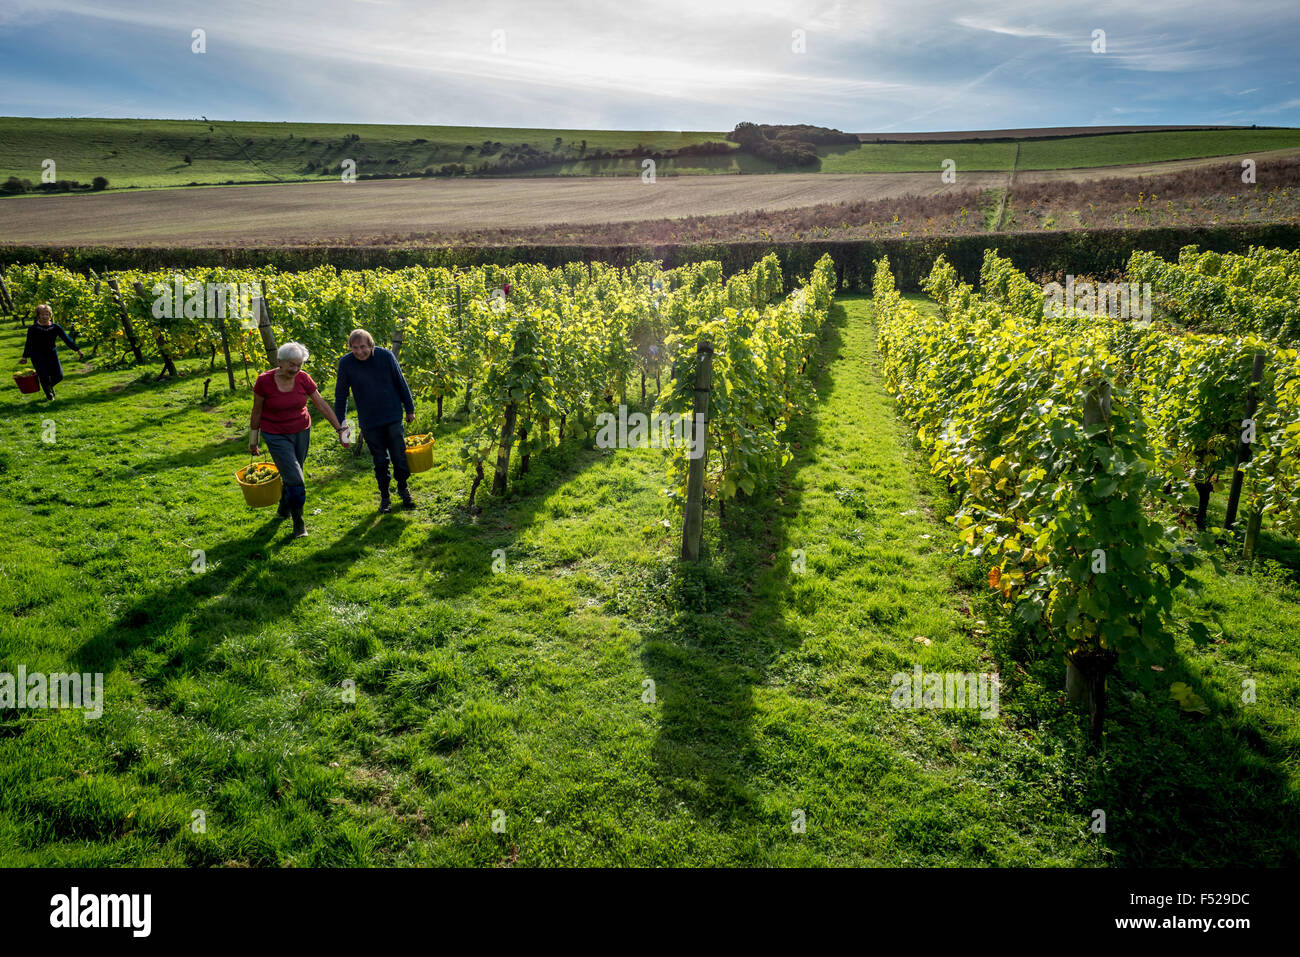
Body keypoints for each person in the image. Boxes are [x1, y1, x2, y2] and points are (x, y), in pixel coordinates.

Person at [249, 341, 349, 538]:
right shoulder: (264, 381)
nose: (295, 369)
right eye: (291, 365)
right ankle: (299, 522)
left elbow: (320, 404)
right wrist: (254, 439)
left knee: (295, 472)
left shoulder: (303, 378)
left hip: (301, 430)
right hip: (275, 434)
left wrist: (339, 428)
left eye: (299, 365)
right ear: (280, 362)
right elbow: (257, 410)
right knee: (296, 478)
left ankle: (284, 507)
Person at [333, 329, 416, 513]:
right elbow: (341, 396)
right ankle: (385, 497)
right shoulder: (346, 363)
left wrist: (409, 408)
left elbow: (400, 381)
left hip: (392, 415)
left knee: (399, 457)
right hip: (369, 420)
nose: (359, 351)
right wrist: (341, 424)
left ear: (371, 345)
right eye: (354, 348)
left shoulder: (385, 356)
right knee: (380, 461)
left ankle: (403, 488)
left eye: (363, 347)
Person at [20, 303, 84, 400]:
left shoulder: (56, 327)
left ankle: (49, 386)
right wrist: (24, 357)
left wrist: (77, 350)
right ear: (38, 315)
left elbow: (67, 339)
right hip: (37, 354)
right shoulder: (33, 328)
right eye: (42, 314)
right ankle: (49, 394)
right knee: (43, 375)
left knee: (59, 375)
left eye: (47, 314)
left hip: (51, 353)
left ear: (50, 315)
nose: (45, 316)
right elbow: (29, 343)